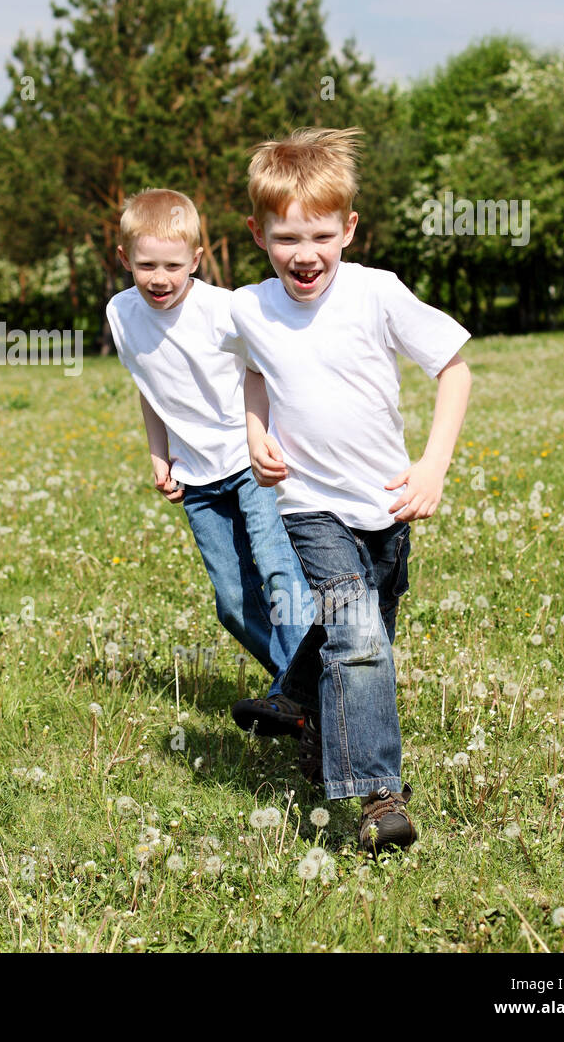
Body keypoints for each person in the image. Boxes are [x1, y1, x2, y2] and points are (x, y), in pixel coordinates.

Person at [233, 127, 472, 853]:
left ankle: (300, 705)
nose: (305, 253)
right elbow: (251, 370)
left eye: (321, 234)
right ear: (257, 233)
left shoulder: (376, 292)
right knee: (360, 635)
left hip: (386, 504)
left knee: (357, 629)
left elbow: (454, 367)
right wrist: (254, 434)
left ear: (349, 229)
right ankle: (377, 798)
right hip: (309, 504)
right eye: (286, 238)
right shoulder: (250, 307)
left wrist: (432, 466)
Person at [107, 188, 315, 736]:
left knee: (278, 572)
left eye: (173, 265)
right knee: (230, 602)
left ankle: (301, 696)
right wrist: (158, 451)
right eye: (146, 264)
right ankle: (305, 691)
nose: (159, 278)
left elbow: (270, 373)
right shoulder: (120, 313)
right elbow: (148, 386)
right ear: (124, 258)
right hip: (198, 476)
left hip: (250, 460)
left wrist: (267, 442)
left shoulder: (224, 309)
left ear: (196, 260)